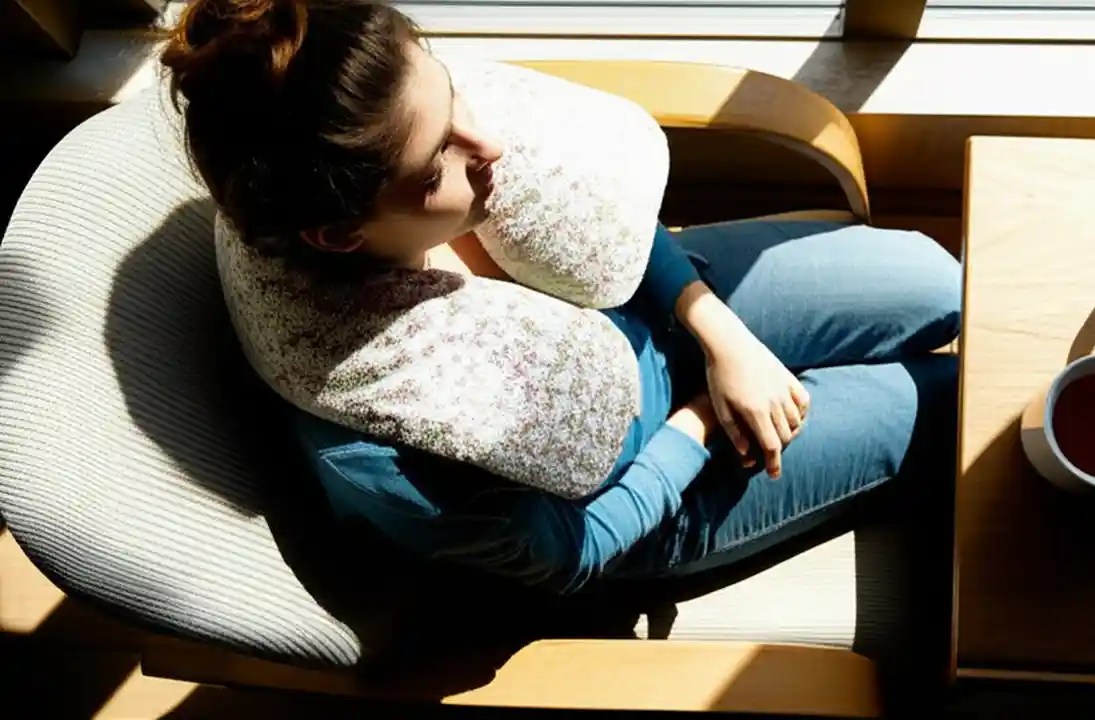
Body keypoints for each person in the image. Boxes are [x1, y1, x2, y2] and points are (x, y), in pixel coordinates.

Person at [160, 0, 962, 597]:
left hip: (660, 312)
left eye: (454, 101)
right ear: (340, 236)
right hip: (642, 485)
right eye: (440, 158)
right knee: (948, 408)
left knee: (939, 281)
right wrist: (702, 419)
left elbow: (597, 223)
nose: (491, 146)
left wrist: (720, 333)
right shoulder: (385, 448)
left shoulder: (393, 135)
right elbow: (575, 548)